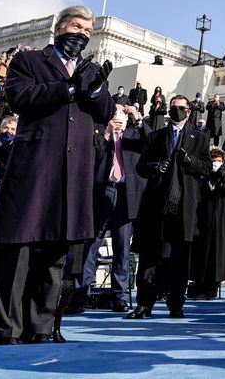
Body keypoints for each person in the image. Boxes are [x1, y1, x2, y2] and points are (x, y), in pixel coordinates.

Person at [0, 6, 115, 344]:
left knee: (57, 252)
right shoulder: (29, 61)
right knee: (19, 248)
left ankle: (42, 327)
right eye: (76, 26)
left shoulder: (91, 70)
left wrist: (94, 90)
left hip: (72, 173)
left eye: (87, 30)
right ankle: (8, 328)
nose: (82, 34)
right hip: (34, 167)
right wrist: (68, 89)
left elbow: (106, 111)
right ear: (59, 28)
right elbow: (20, 97)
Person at [128, 95, 211, 320]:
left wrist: (190, 162)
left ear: (188, 111)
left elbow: (206, 168)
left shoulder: (200, 138)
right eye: (173, 108)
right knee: (149, 256)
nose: (177, 111)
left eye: (181, 108)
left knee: (179, 258)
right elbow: (140, 166)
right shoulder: (155, 136)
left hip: (184, 207)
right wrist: (156, 167)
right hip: (156, 205)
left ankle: (176, 305)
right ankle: (144, 305)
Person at [70, 105, 147, 314]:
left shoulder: (134, 134)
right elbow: (89, 155)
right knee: (91, 245)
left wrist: (138, 119)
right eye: (116, 113)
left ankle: (119, 296)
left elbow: (151, 142)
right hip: (102, 191)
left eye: (122, 114)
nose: (119, 117)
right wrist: (106, 133)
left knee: (122, 248)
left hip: (125, 194)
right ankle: (80, 295)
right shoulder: (99, 134)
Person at [190, 147, 225, 300]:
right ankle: (199, 286)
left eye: (219, 161)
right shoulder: (202, 177)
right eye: (214, 161)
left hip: (220, 219)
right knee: (201, 251)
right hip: (203, 218)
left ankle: (212, 288)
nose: (216, 164)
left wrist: (220, 176)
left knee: (218, 252)